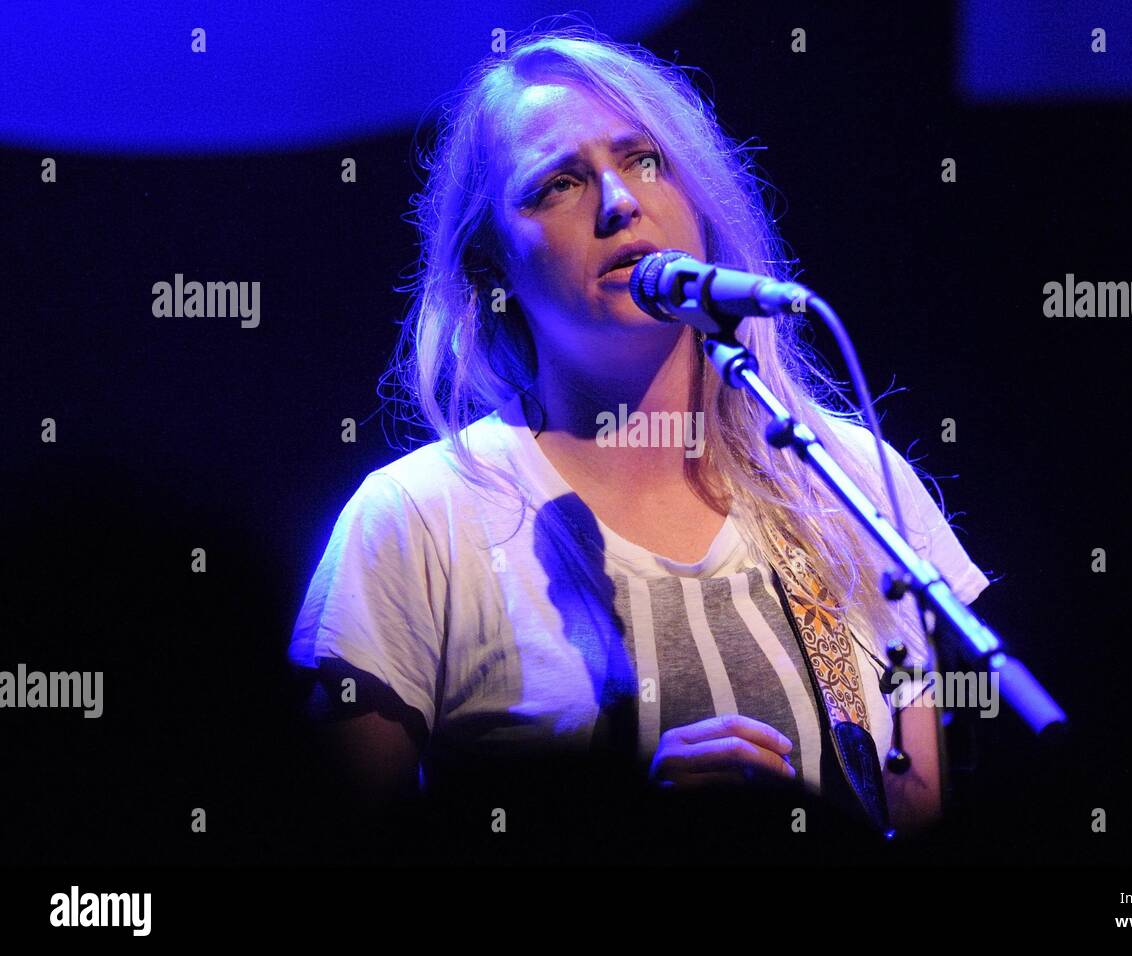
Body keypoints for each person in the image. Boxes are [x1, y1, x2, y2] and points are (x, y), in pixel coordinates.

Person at [288, 27, 989, 854]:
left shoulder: (844, 480)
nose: (620, 202)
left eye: (647, 160)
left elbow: (918, 813)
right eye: (560, 183)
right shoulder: (417, 517)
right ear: (491, 266)